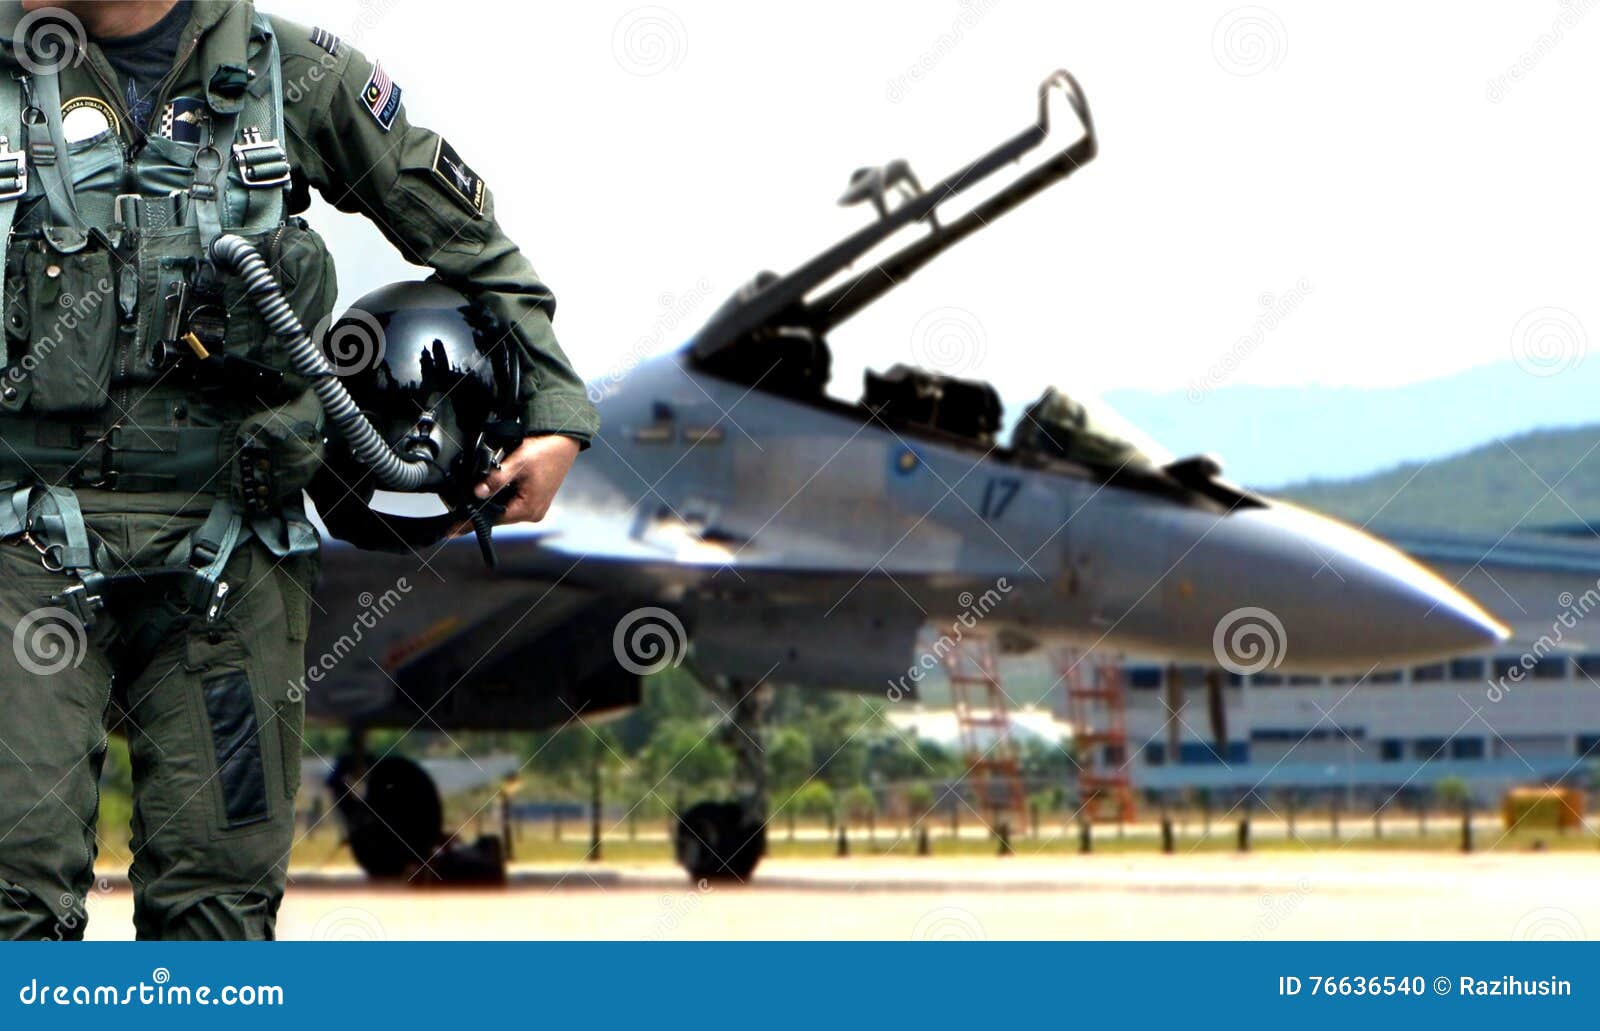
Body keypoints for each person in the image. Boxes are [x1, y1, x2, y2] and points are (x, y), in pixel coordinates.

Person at [0, 0, 597, 940]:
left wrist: (558, 414)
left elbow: (470, 243)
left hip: (230, 556)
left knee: (219, 907)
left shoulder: (296, 74)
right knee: (11, 892)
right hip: (20, 547)